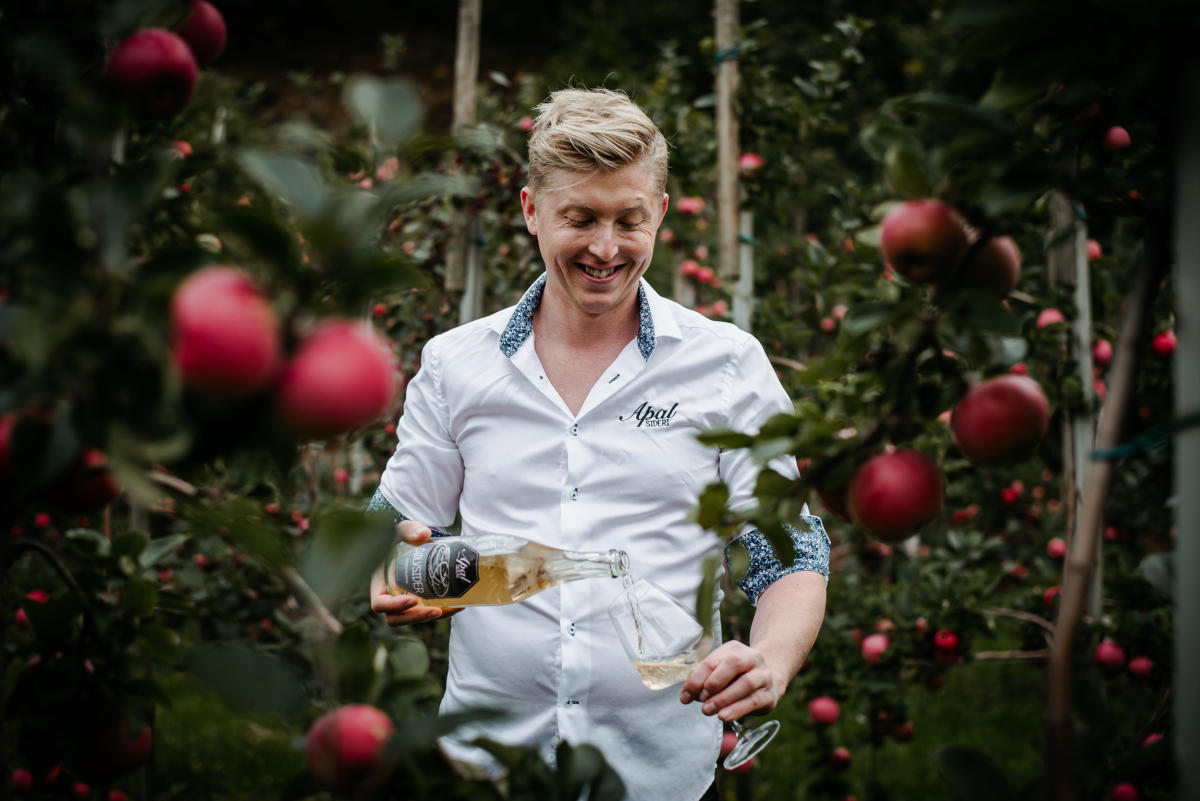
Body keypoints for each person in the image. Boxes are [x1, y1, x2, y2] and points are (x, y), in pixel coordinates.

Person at [368, 87, 829, 801]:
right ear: (530, 211)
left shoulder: (726, 364)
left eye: (629, 220)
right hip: (486, 771)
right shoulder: (457, 363)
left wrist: (770, 657)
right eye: (579, 218)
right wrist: (396, 564)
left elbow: (791, 549)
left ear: (662, 215)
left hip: (661, 774)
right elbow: (390, 529)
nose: (606, 249)